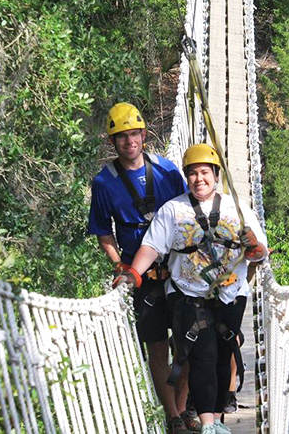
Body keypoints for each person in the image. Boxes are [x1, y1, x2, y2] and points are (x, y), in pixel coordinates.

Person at [114, 143, 268, 434]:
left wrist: (254, 248)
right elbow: (151, 246)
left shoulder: (238, 208)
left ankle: (219, 418)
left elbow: (261, 255)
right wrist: (134, 272)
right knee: (202, 355)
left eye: (205, 172)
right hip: (187, 294)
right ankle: (208, 424)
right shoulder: (173, 210)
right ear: (186, 177)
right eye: (193, 173)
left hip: (231, 294)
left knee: (225, 354)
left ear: (216, 175)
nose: (199, 179)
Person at [88, 102, 196, 434]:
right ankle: (173, 417)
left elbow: (189, 212)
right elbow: (103, 231)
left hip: (179, 270)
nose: (129, 142)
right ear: (112, 142)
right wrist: (121, 264)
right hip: (141, 277)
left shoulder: (167, 171)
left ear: (144, 136)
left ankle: (183, 406)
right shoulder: (104, 183)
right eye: (121, 137)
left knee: (188, 344)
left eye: (133, 134)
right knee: (157, 347)